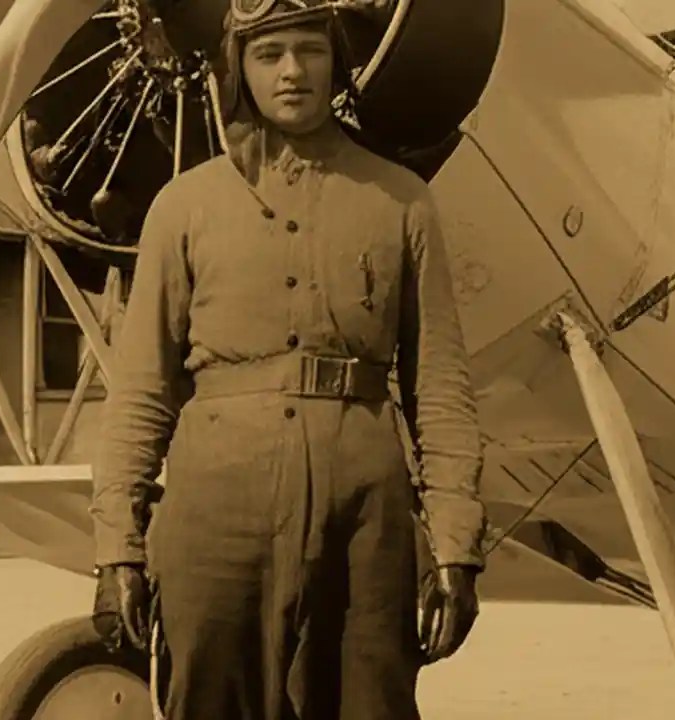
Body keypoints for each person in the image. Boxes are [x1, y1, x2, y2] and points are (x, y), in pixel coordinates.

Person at [88, 1, 489, 718]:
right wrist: (117, 544)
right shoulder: (183, 208)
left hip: (364, 516)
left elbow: (439, 385)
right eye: (269, 55)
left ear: (337, 62)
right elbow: (143, 388)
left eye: (311, 50)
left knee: (370, 703)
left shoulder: (402, 203)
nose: (293, 72)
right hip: (216, 515)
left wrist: (456, 546)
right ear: (237, 67)